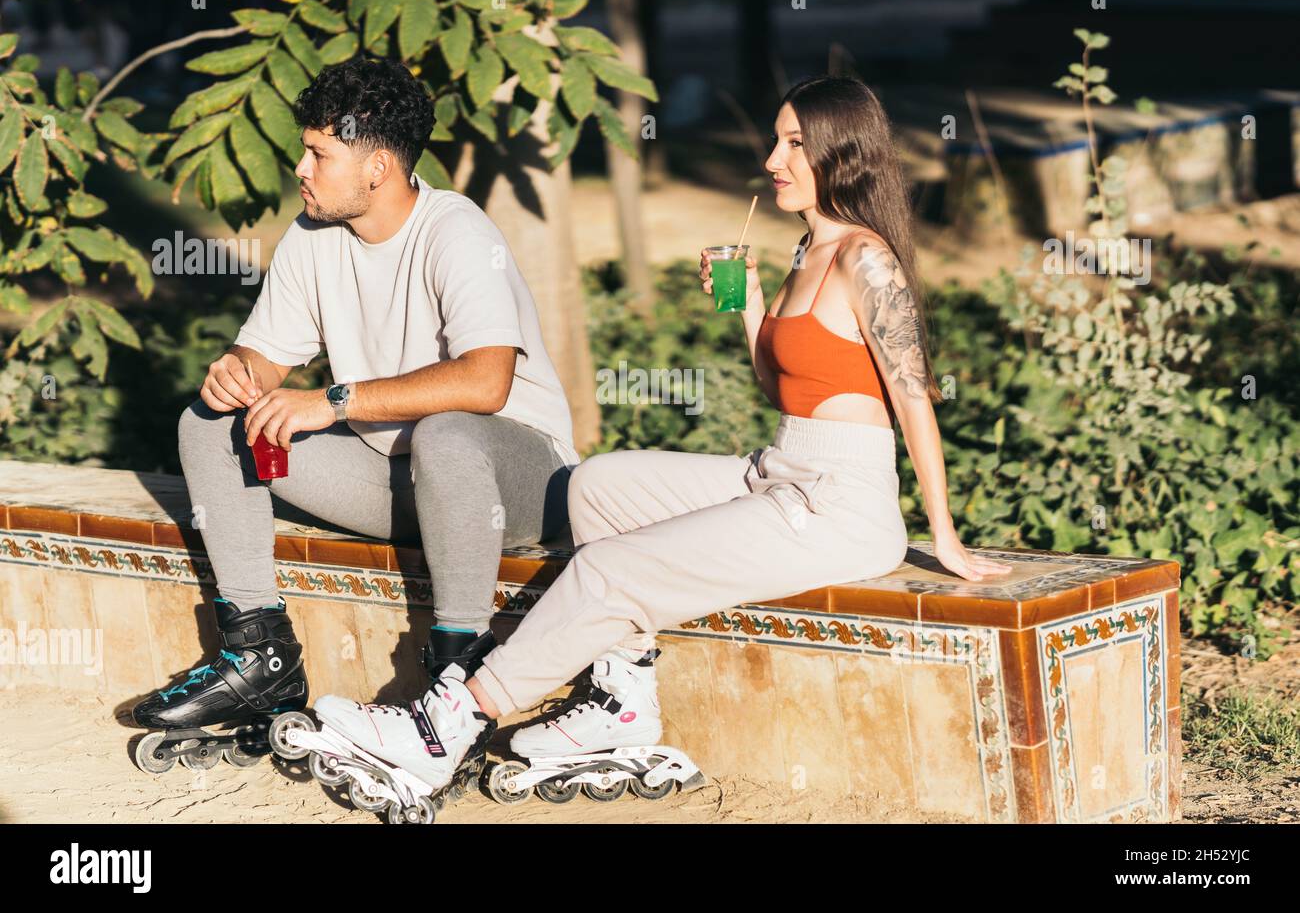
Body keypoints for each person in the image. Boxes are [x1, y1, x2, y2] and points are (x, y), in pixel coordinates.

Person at [306, 75, 1012, 801]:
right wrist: (750, 305)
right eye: (776, 139)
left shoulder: (868, 259)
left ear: (845, 153)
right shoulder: (807, 251)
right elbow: (785, 390)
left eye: (796, 144)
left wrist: (945, 535)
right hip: (781, 466)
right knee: (595, 487)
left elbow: (912, 398)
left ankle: (448, 722)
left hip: (843, 504)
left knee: (612, 570)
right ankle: (622, 701)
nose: (774, 158)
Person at [130, 57, 578, 772]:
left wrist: (332, 401)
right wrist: (235, 376)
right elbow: (265, 355)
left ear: (376, 167)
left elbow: (487, 382)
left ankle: (457, 684)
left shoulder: (457, 232)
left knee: (449, 432)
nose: (301, 168)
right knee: (209, 425)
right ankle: (260, 659)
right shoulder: (313, 237)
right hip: (397, 480)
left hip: (519, 483)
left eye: (319, 153)